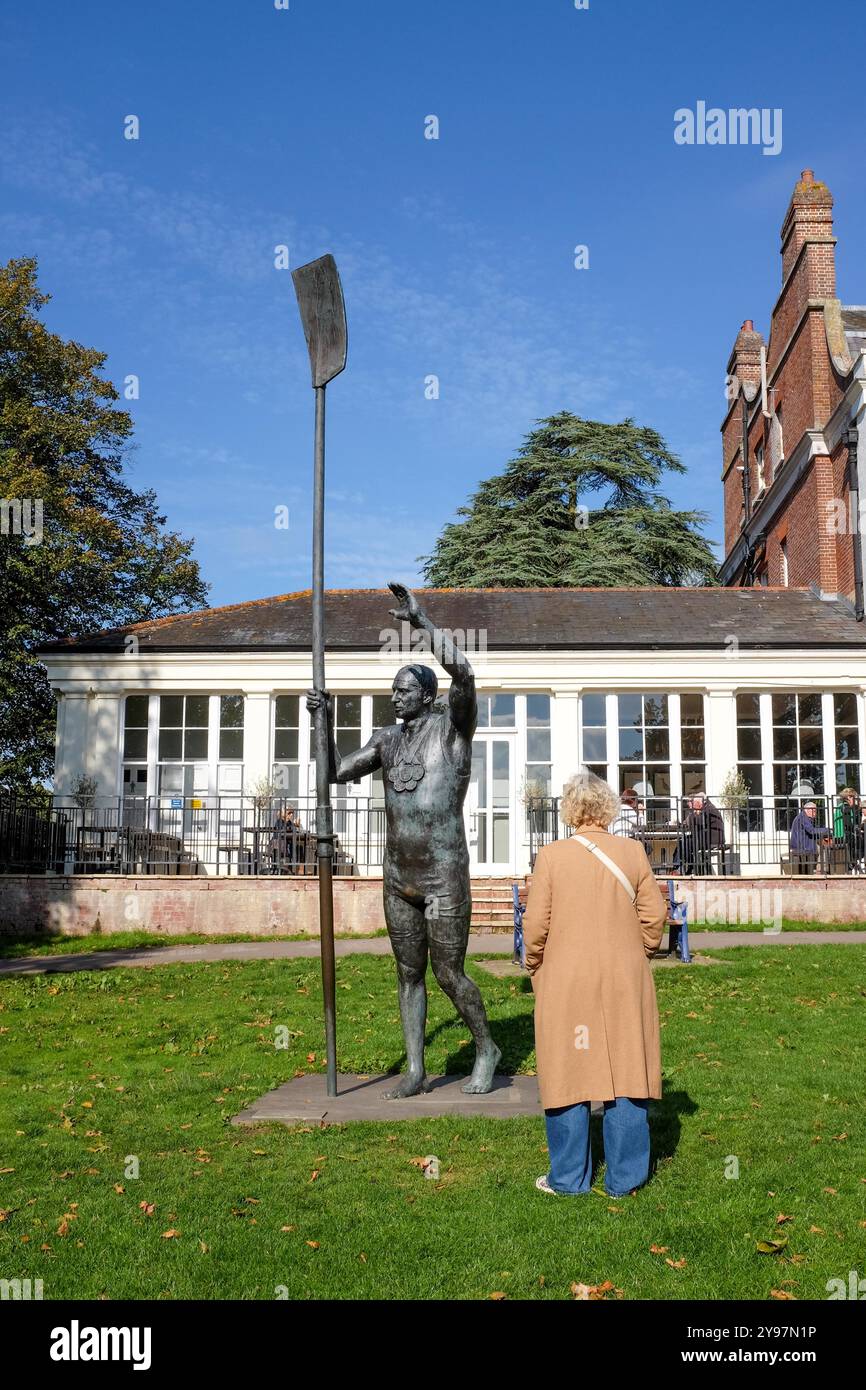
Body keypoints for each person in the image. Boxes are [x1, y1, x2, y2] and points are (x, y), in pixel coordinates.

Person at [306, 581, 500, 1098]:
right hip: (398, 878)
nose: (395, 697)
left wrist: (422, 623)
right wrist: (320, 720)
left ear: (427, 695)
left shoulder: (454, 729)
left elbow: (465, 671)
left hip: (442, 879)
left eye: (404, 690)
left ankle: (486, 1047)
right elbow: (334, 773)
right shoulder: (387, 740)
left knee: (448, 974)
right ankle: (415, 1070)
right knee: (407, 974)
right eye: (394, 691)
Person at [523, 770, 666, 1198]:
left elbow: (535, 926)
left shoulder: (551, 856)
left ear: (570, 809)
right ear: (607, 808)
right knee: (627, 1073)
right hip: (625, 978)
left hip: (568, 979)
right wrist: (636, 949)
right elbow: (654, 918)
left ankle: (569, 1180)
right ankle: (626, 1181)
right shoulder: (633, 852)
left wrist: (534, 965)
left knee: (569, 1071)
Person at [674, 793, 725, 874]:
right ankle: (680, 867)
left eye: (694, 803)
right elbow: (696, 824)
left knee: (685, 843)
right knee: (682, 841)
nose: (693, 805)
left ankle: (681, 868)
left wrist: (692, 813)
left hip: (712, 839)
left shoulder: (708, 809)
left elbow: (696, 821)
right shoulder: (706, 808)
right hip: (706, 837)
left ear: (699, 802)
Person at [788, 801, 830, 874]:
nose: (815, 812)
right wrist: (827, 830)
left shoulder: (803, 817)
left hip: (804, 844)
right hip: (802, 846)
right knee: (824, 849)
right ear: (808, 810)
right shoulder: (803, 818)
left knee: (822, 845)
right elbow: (811, 831)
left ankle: (817, 869)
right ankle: (820, 871)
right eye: (814, 810)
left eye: (815, 810)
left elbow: (810, 832)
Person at [833, 787, 864, 873]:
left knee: (859, 839)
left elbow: (856, 823)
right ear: (849, 797)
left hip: (845, 834)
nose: (856, 800)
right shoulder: (844, 807)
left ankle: (856, 863)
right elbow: (849, 825)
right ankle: (855, 864)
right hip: (842, 835)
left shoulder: (846, 807)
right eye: (855, 798)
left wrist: (858, 810)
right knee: (861, 840)